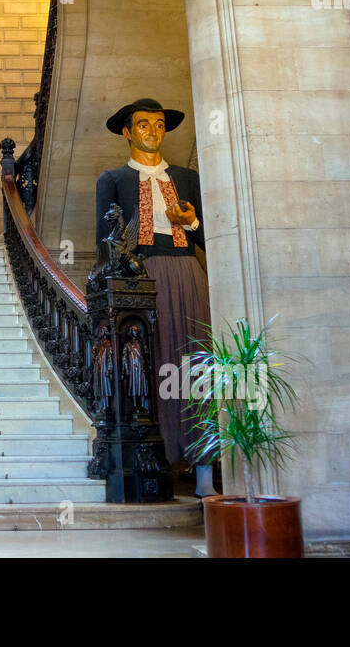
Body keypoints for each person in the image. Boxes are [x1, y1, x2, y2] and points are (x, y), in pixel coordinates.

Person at [95, 98, 215, 497]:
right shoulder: (113, 180)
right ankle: (156, 459)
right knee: (152, 364)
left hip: (186, 270)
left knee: (196, 361)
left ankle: (203, 475)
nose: (153, 131)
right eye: (143, 125)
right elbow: (105, 245)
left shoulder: (187, 177)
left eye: (160, 124)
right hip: (141, 278)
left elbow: (211, 239)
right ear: (127, 132)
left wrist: (192, 221)